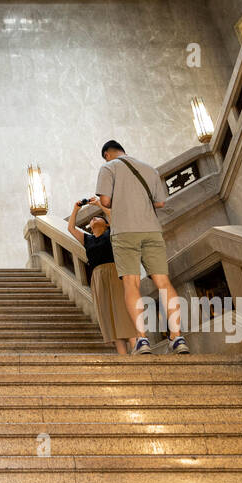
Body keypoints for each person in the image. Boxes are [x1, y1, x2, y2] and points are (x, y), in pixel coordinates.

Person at [95, 140, 188, 354]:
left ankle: (142, 340)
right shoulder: (149, 169)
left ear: (107, 154)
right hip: (151, 230)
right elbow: (161, 203)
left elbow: (106, 201)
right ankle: (177, 337)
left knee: (131, 283)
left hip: (125, 231)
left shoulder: (108, 167)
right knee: (163, 282)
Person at [67, 198, 138, 356]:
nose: (93, 218)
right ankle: (123, 358)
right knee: (109, 317)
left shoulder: (112, 233)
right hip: (98, 278)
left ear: (106, 224)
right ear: (90, 228)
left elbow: (114, 218)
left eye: (98, 217)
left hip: (115, 273)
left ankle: (137, 351)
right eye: (92, 219)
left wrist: (99, 205)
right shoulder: (88, 239)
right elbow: (71, 228)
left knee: (123, 311)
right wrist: (76, 209)